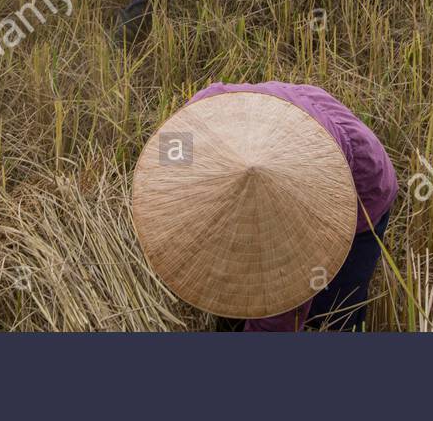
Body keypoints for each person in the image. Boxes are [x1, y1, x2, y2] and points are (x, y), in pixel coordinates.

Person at [132, 81, 398, 331]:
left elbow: (284, 310)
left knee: (333, 311)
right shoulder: (203, 113)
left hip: (360, 187)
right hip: (299, 112)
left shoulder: (293, 230)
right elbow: (169, 153)